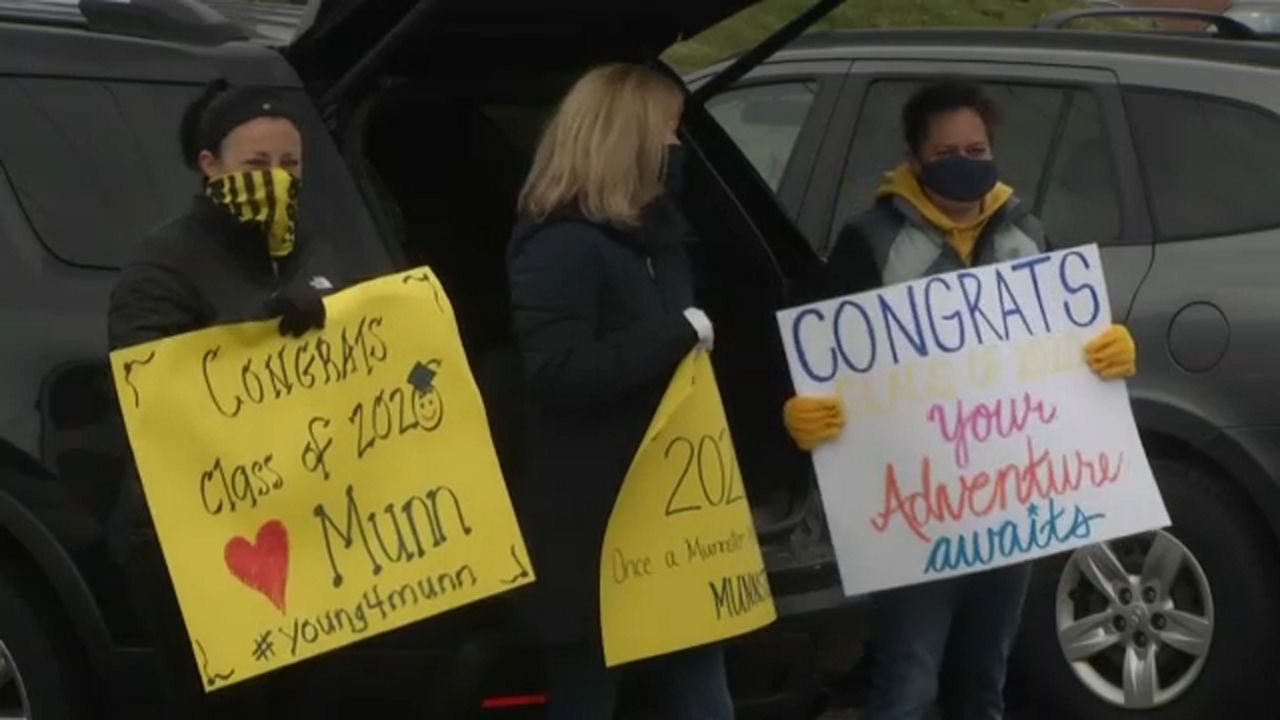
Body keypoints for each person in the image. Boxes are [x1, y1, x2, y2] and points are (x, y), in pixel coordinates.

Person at [782, 80, 1137, 720]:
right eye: (947, 152)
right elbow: (829, 353)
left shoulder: (1027, 232)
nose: (965, 162)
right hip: (916, 507)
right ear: (913, 160)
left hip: (1012, 502)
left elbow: (1064, 341)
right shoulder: (871, 242)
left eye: (977, 150)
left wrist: (1104, 354)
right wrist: (806, 409)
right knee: (910, 683)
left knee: (984, 676)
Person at [108, 79, 338, 718]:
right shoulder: (162, 263)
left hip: (298, 523)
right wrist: (251, 333)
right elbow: (148, 389)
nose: (277, 178)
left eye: (290, 163)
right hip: (193, 535)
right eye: (257, 164)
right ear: (210, 166)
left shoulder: (309, 247)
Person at [505, 63, 729, 720]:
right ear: (628, 137)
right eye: (669, 129)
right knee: (588, 697)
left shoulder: (658, 238)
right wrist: (674, 334)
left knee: (703, 700)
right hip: (594, 524)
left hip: (668, 512)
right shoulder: (561, 245)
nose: (677, 145)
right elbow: (558, 371)